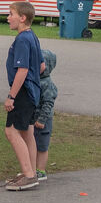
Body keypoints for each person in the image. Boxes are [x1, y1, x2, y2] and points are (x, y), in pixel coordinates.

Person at [3, 1, 45, 190]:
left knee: (11, 131)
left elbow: (22, 69)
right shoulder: (33, 37)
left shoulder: (22, 39)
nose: (8, 18)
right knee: (27, 132)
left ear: (22, 18)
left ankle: (28, 175)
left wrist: (12, 96)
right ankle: (31, 171)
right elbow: (42, 66)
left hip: (23, 92)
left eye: (11, 14)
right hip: (33, 91)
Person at [33, 47, 59, 180]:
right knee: (32, 144)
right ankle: (31, 169)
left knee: (42, 146)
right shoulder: (35, 80)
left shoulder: (47, 84)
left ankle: (41, 170)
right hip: (32, 119)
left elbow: (48, 103)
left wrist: (42, 120)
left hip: (43, 121)